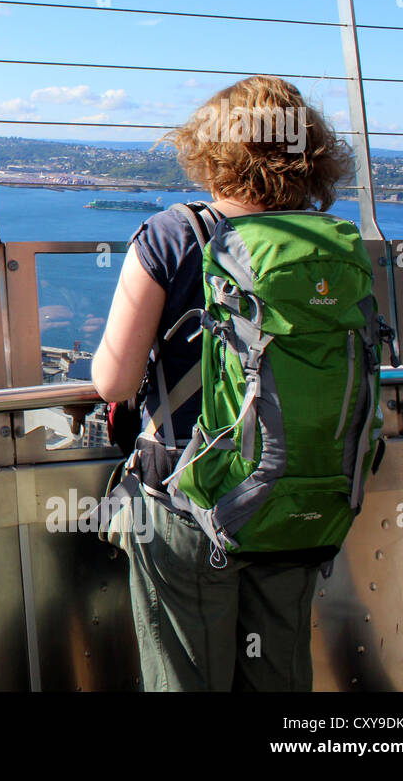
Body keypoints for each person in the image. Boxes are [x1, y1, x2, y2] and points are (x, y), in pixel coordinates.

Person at [90, 75, 355, 691]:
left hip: (193, 501)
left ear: (210, 152)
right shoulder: (331, 246)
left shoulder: (174, 233)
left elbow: (113, 379)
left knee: (184, 678)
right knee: (280, 679)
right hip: (299, 498)